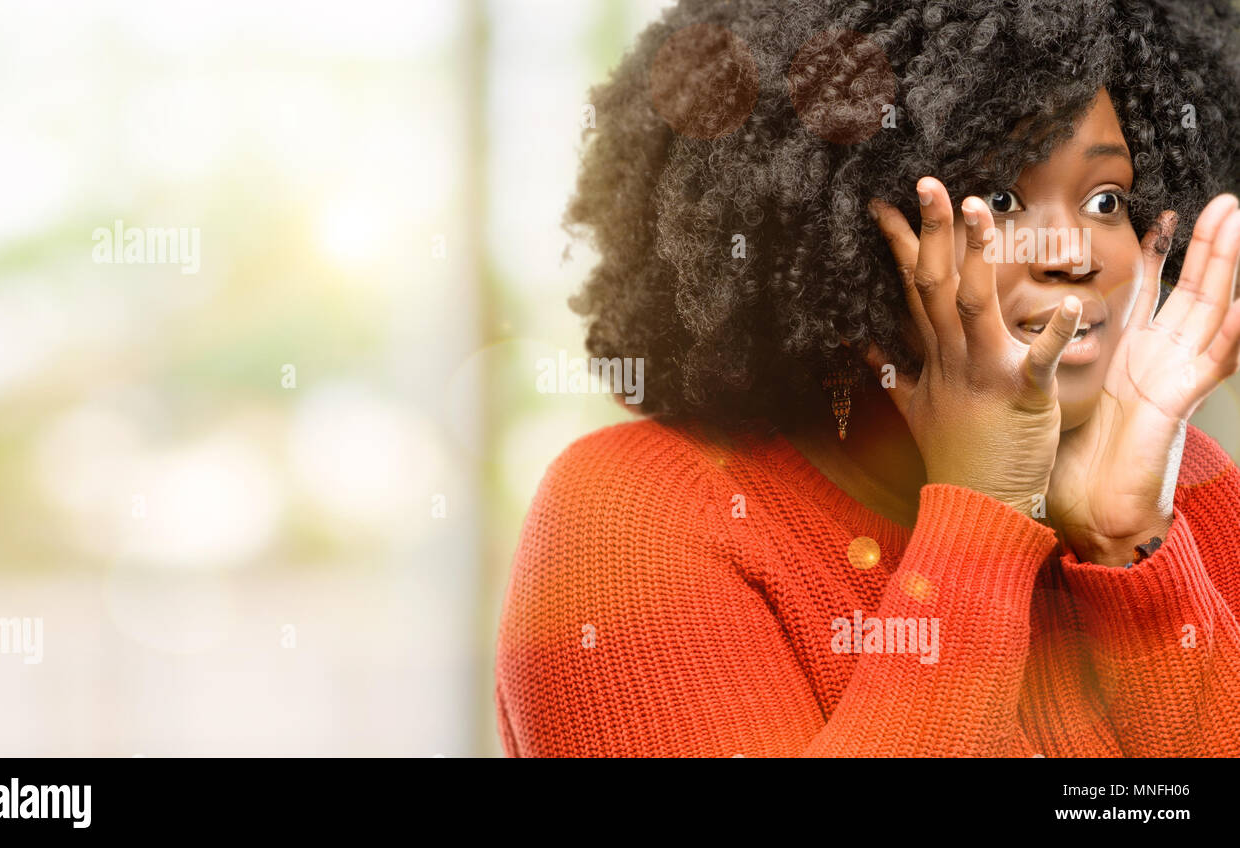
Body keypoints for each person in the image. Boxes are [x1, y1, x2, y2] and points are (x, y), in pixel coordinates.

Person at [494, 0, 1240, 756]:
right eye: (1002, 199)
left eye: (1106, 200)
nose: (1073, 253)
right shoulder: (633, 518)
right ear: (840, 232)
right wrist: (983, 517)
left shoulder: (1180, 495)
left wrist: (1126, 545)